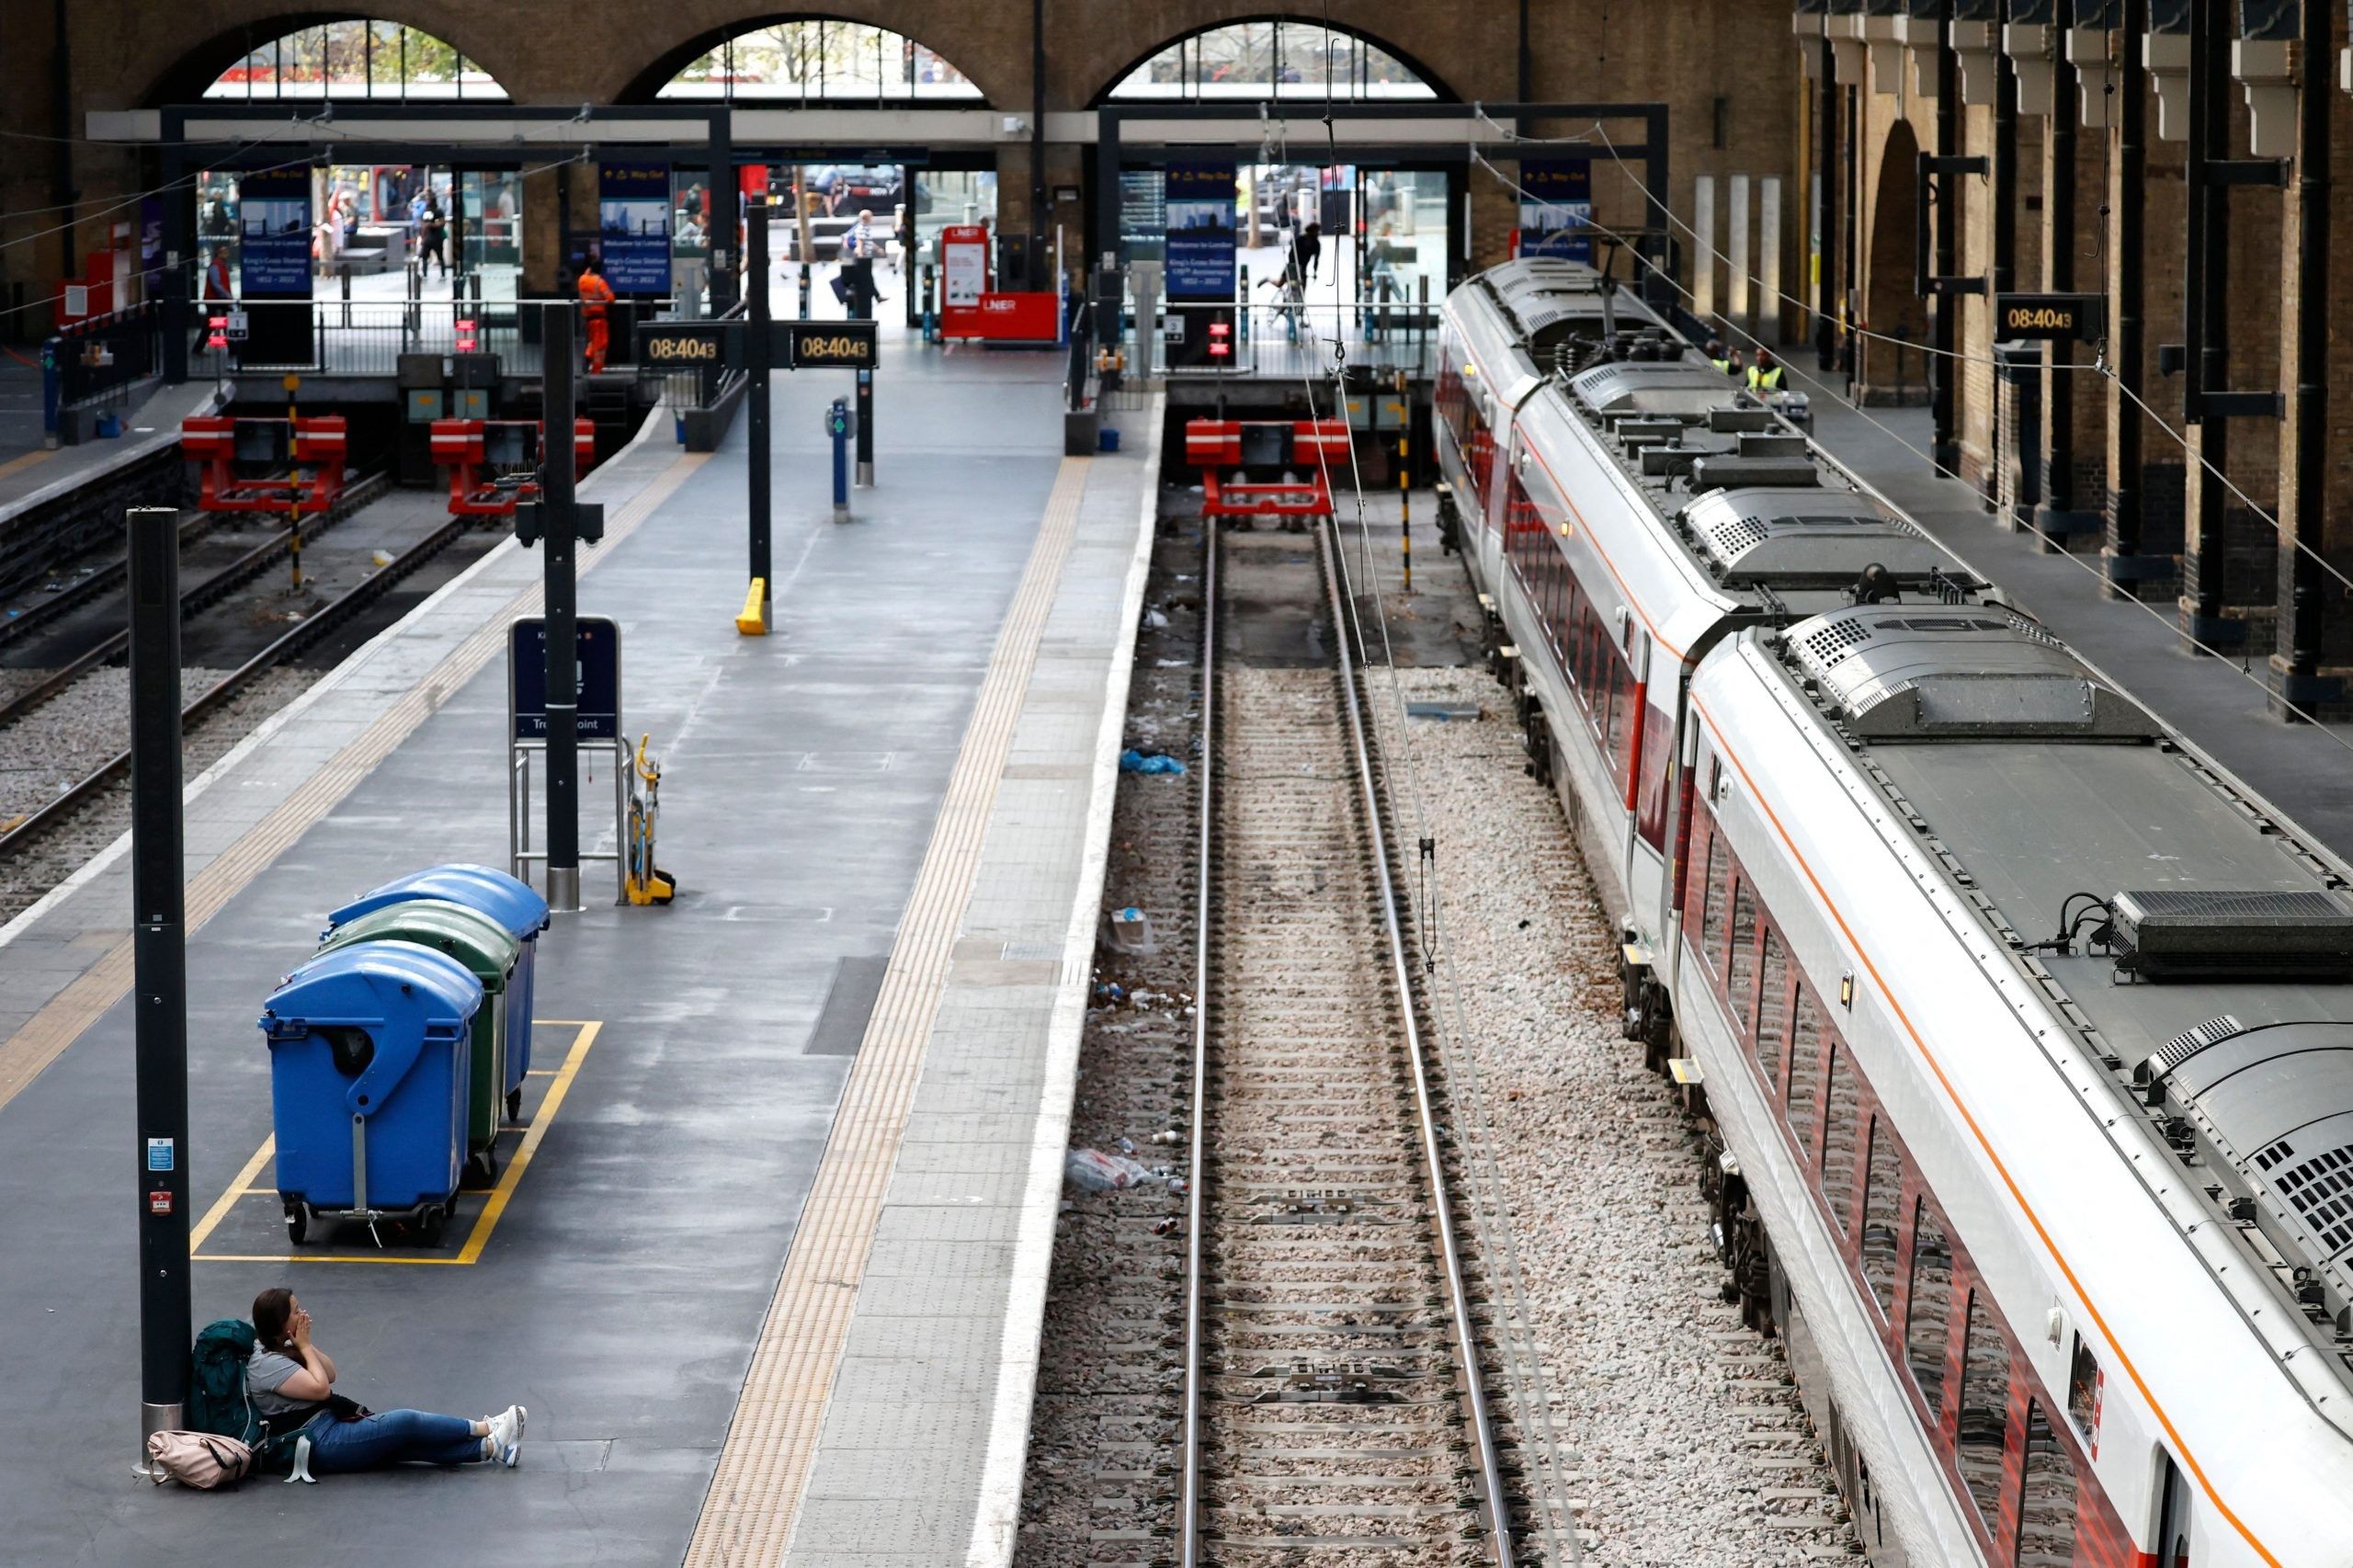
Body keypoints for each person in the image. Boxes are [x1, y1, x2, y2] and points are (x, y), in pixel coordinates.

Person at [245, 1288, 525, 1473]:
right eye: (296, 1311)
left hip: (325, 1427)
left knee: (403, 1444)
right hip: (318, 1441)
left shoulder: (284, 1347)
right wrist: (304, 1347)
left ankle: (492, 1448)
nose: (303, 1313)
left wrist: (305, 1343)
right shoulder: (268, 1364)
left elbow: (329, 1373)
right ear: (282, 1323)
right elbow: (321, 1389)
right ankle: (487, 1427)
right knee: (405, 1423)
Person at [577, 255, 615, 372]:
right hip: (599, 319)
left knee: (593, 341)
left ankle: (588, 357)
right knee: (601, 344)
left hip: (588, 317)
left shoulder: (582, 280)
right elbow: (611, 298)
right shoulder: (600, 282)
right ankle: (595, 369)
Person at [420, 196, 448, 279]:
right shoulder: (429, 211)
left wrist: (430, 226)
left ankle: (441, 274)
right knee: (428, 257)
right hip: (433, 238)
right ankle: (427, 274)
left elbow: (441, 222)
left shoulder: (436, 212)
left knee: (438, 257)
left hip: (434, 237)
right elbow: (424, 226)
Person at [1297, 220, 1323, 284]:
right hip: (1293, 265)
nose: (1317, 233)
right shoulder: (1300, 239)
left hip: (1303, 267)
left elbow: (1316, 259)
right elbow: (1291, 253)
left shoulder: (1316, 244)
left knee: (1302, 286)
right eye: (1315, 231)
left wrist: (1315, 271)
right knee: (1280, 283)